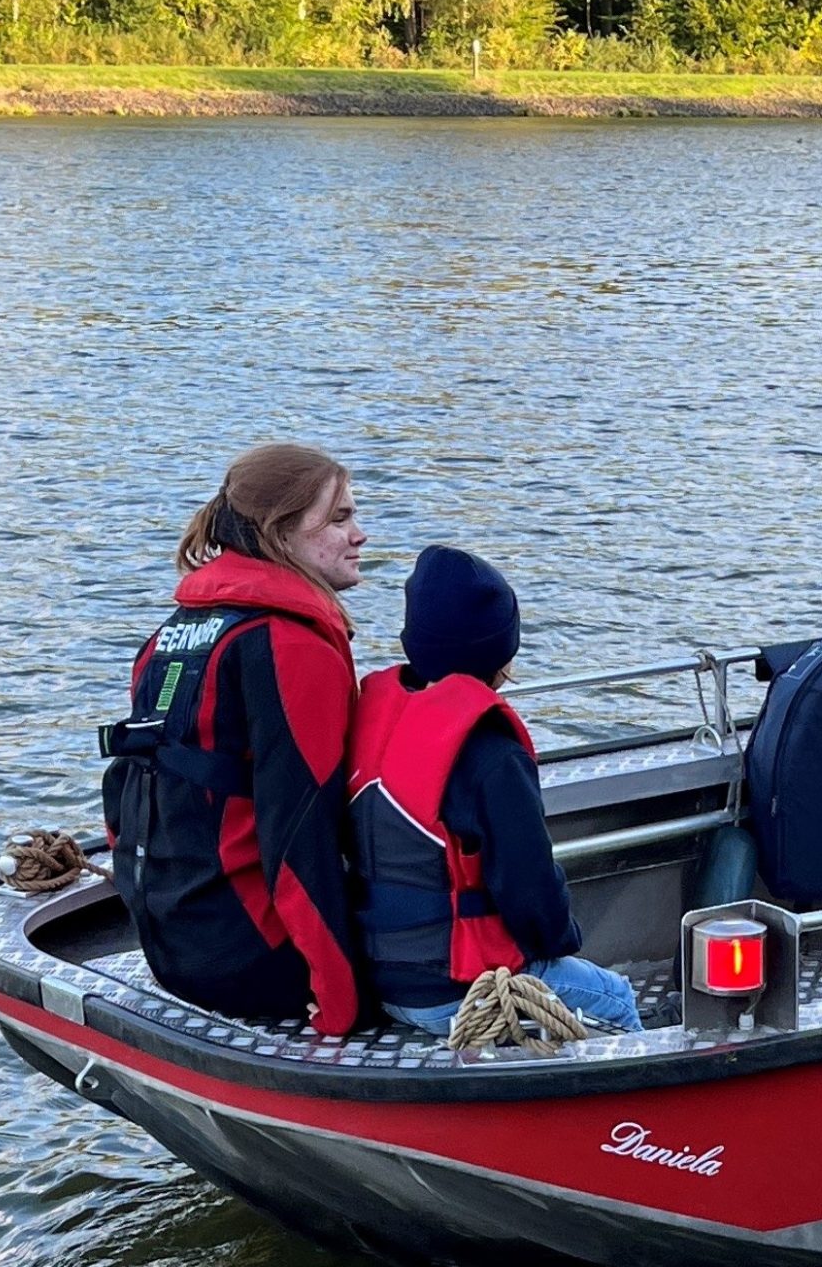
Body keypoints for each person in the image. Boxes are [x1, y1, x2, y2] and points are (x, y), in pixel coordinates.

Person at [101, 443, 367, 1036]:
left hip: (174, 951)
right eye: (340, 518)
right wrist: (339, 1001)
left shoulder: (170, 636)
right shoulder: (292, 646)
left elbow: (125, 792)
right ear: (281, 533)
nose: (360, 535)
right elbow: (300, 834)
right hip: (260, 966)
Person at [350, 546, 644, 1036]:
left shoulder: (370, 718)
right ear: (500, 653)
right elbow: (529, 886)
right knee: (615, 997)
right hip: (460, 992)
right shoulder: (491, 753)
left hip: (379, 982)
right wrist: (561, 941)